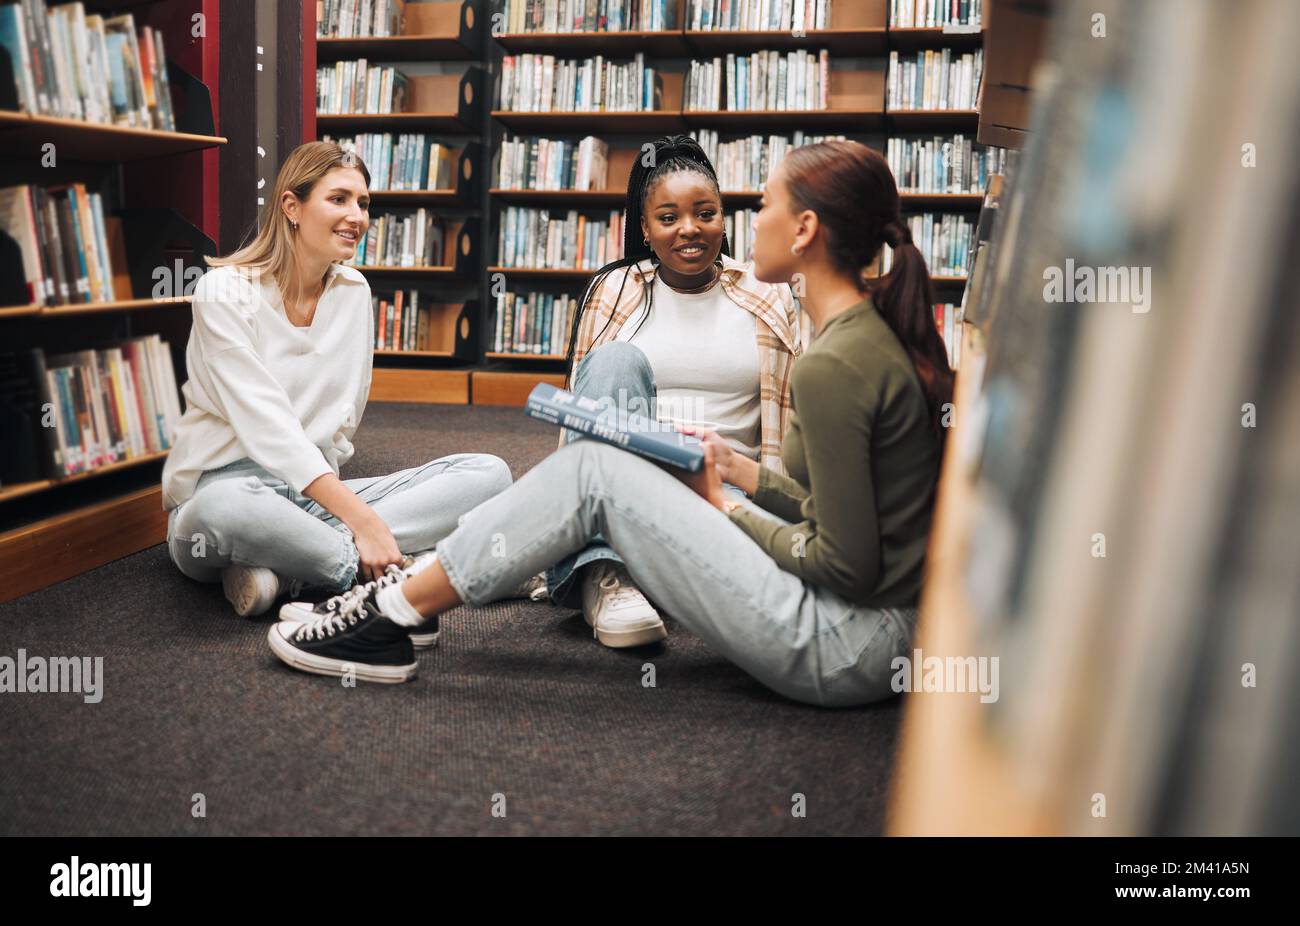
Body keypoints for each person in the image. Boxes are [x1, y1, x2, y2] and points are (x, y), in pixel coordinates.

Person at [268, 139, 954, 705]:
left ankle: (392, 615)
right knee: (598, 465)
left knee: (594, 473)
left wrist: (725, 506)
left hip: (843, 645)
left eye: (766, 203)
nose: (753, 215)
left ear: (805, 230)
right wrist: (741, 472)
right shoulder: (857, 338)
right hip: (860, 624)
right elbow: (836, 518)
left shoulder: (832, 363)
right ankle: (408, 602)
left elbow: (847, 566)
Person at [162, 141, 511, 620]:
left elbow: (344, 420)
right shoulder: (222, 292)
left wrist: (345, 509)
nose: (357, 216)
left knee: (488, 474)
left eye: (363, 203)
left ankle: (288, 572)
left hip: (318, 503)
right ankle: (386, 572)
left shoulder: (353, 291)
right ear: (292, 207)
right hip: (230, 494)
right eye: (339, 199)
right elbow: (268, 429)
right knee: (223, 508)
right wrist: (363, 522)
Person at [550, 134, 802, 648]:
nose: (689, 229)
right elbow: (581, 413)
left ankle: (646, 563)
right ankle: (606, 572)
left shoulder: (768, 294)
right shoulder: (614, 291)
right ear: (645, 227)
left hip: (723, 489)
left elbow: (798, 416)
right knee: (616, 359)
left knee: (767, 559)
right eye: (668, 217)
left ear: (723, 219)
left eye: (704, 213)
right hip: (632, 481)